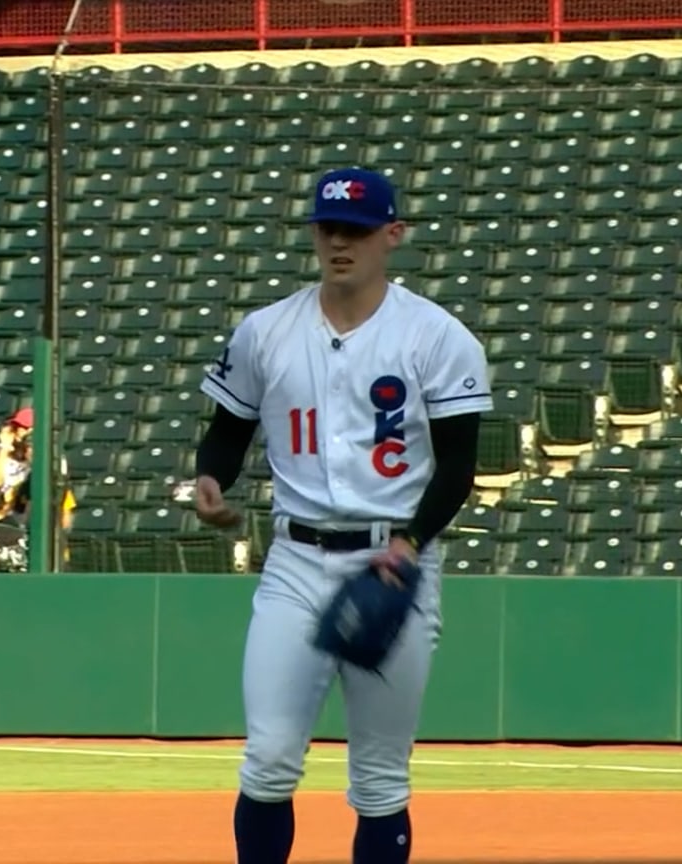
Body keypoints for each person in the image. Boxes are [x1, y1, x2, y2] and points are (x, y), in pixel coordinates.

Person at [192, 167, 491, 864]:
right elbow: (228, 428)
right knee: (267, 758)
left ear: (393, 235)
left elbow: (458, 466)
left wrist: (414, 541)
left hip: (392, 563)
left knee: (380, 778)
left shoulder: (437, 337)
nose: (339, 241)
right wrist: (212, 477)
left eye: (356, 230)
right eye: (328, 227)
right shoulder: (266, 331)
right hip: (295, 561)